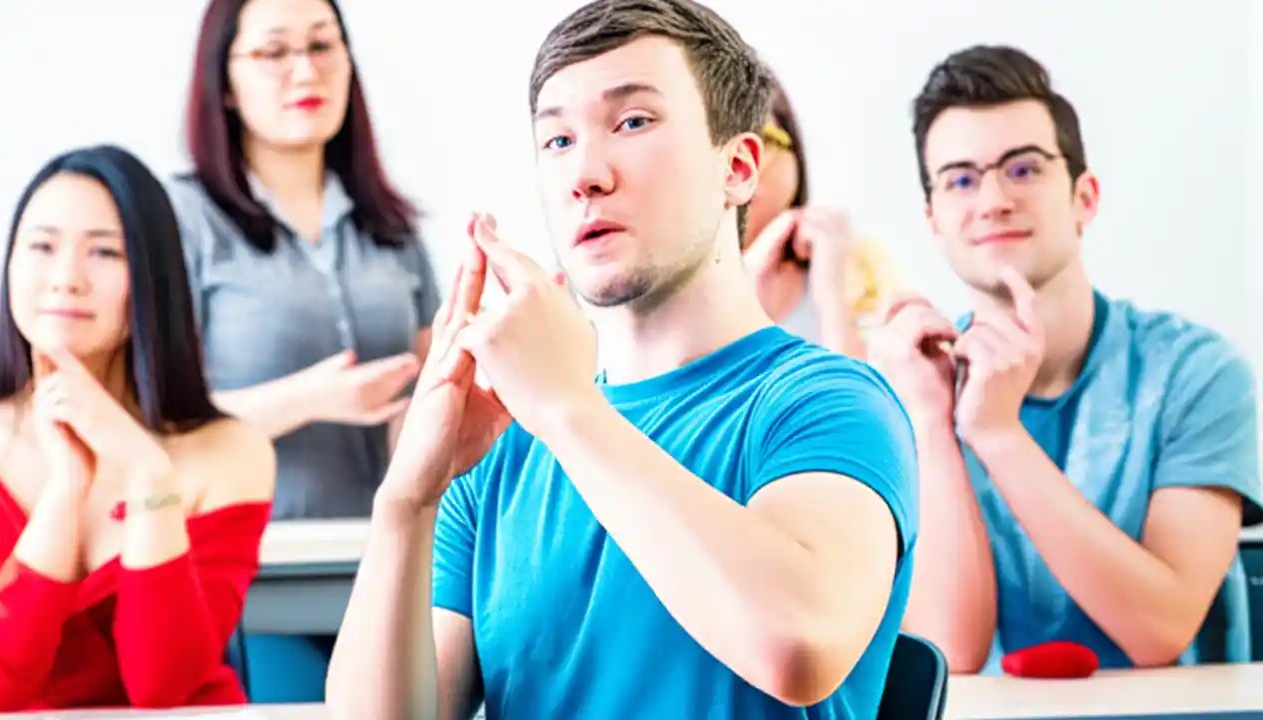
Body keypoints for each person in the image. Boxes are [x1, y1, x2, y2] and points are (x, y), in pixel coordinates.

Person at [326, 1, 917, 718]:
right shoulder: (499, 450)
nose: (585, 174)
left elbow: (799, 645)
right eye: (558, 140)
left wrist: (567, 411)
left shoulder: (828, 401)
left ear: (737, 167)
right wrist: (406, 503)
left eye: (632, 122)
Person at [872, 44, 1262, 674]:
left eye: (1023, 169)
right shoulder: (906, 387)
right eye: (961, 179)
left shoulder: (1197, 373)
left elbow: (1160, 629)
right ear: (934, 219)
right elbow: (953, 654)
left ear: (1085, 197)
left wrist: (996, 433)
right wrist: (931, 423)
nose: (993, 198)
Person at [0, 145, 275, 711]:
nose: (66, 279)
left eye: (105, 252)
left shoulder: (232, 452)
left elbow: (163, 689)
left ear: (151, 279)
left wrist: (147, 474)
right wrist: (67, 493)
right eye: (42, 246)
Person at [168, 0, 441, 522]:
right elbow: (159, 429)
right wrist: (308, 398)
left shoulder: (391, 226)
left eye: (321, 45)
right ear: (223, 82)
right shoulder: (182, 218)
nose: (305, 70)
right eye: (273, 52)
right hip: (254, 562)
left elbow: (435, 380)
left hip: (397, 554)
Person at [743, 70, 900, 358]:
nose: (743, 168)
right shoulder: (667, 284)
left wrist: (832, 297)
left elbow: (861, 399)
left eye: (763, 143)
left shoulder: (859, 266)